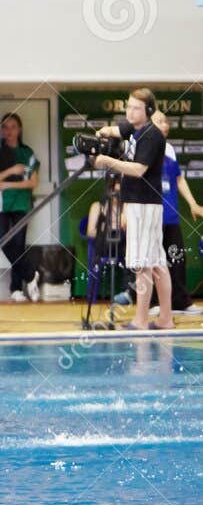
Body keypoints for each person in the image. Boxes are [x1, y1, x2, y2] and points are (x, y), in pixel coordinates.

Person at [94, 89, 174, 331]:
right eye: (128, 107)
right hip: (143, 204)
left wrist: (108, 161)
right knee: (158, 263)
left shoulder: (151, 135)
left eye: (136, 108)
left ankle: (140, 320)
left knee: (143, 264)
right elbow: (116, 130)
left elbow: (139, 169)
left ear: (149, 111)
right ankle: (165, 318)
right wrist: (102, 132)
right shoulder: (135, 129)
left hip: (144, 204)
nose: (130, 112)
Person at [0, 114, 40, 302]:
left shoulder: (27, 153)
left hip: (21, 203)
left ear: (20, 129)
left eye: (13, 127)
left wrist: (8, 185)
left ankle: (16, 289)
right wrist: (11, 171)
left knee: (18, 245)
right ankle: (31, 275)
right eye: (5, 127)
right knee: (3, 241)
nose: (9, 131)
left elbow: (32, 183)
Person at [154, 110, 203, 315]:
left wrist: (193, 204)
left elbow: (178, 179)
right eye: (159, 121)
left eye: (166, 121)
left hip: (170, 215)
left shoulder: (170, 150)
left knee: (177, 257)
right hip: (151, 214)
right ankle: (155, 303)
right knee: (153, 261)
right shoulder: (140, 148)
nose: (164, 125)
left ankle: (181, 302)